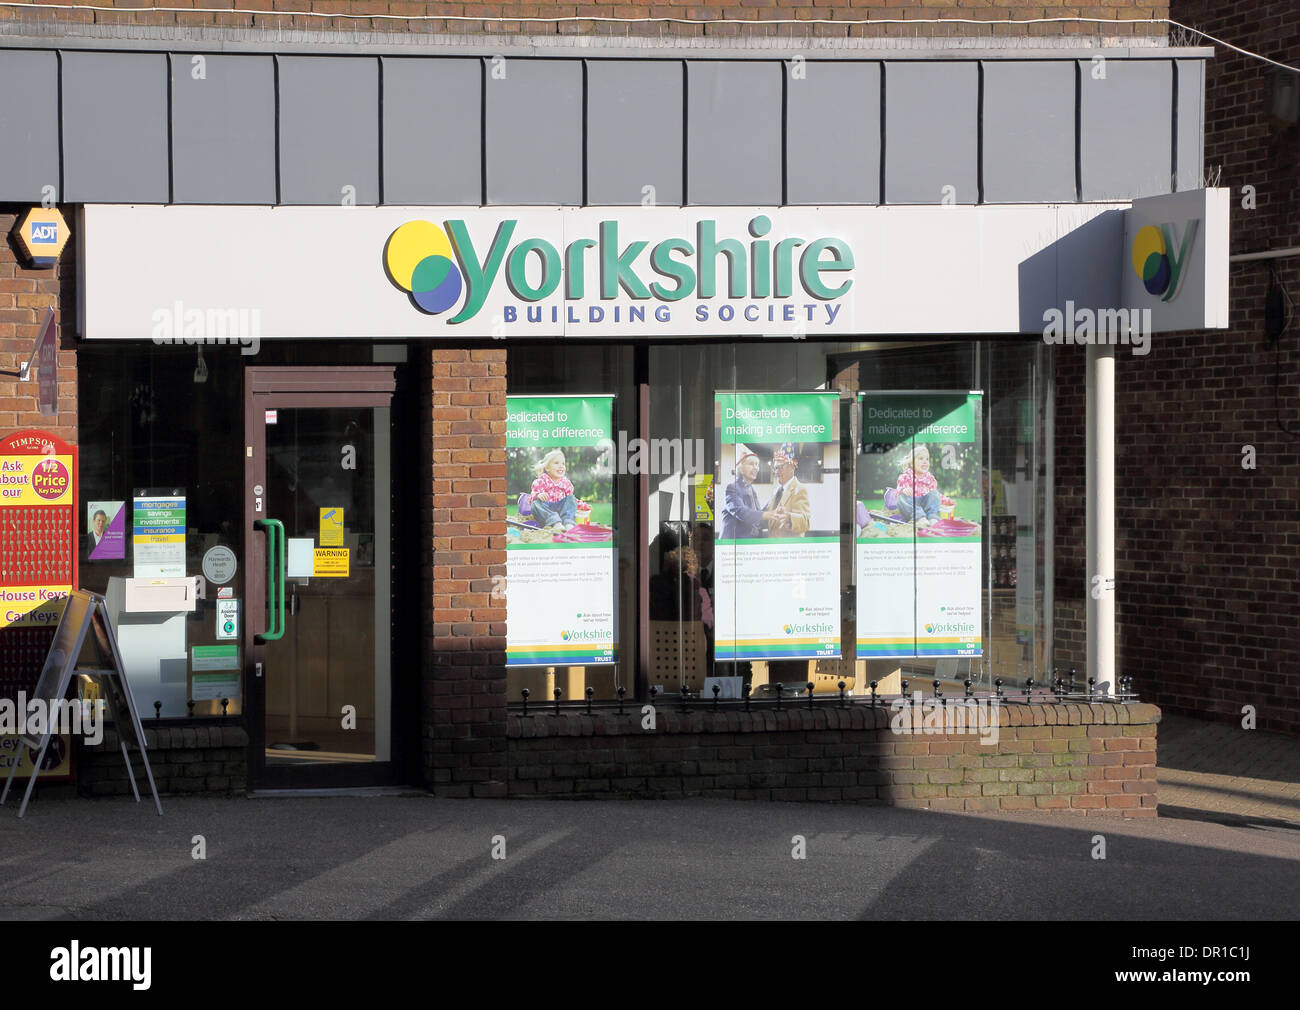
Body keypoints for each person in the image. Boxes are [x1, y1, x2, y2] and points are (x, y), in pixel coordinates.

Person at [719, 444, 784, 540]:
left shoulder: (752, 490)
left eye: (757, 464)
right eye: (751, 464)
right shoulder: (732, 488)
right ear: (740, 469)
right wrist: (767, 514)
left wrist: (775, 497)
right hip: (732, 546)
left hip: (748, 544)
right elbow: (741, 512)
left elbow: (757, 515)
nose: (756, 468)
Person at [527, 449, 582, 532]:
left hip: (561, 510)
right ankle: (555, 523)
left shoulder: (566, 483)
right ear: (547, 468)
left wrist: (583, 505)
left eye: (563, 463)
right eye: (556, 463)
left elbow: (571, 501)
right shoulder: (541, 481)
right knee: (535, 504)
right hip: (547, 510)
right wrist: (538, 495)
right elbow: (532, 497)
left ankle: (568, 523)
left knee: (571, 498)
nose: (561, 466)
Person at [763, 444, 811, 536]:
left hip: (789, 547)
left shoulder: (800, 489)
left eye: (780, 467)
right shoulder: (776, 491)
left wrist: (789, 518)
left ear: (792, 467)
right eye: (775, 468)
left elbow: (806, 522)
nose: (777, 472)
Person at [896, 444, 941, 527]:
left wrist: (946, 500)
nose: (925, 461)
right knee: (901, 497)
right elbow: (899, 489)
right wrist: (904, 490)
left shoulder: (930, 478)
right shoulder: (906, 476)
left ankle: (933, 518)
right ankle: (919, 518)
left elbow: (934, 497)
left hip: (925, 505)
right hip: (912, 505)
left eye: (927, 459)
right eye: (921, 459)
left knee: (935, 493)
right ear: (912, 463)